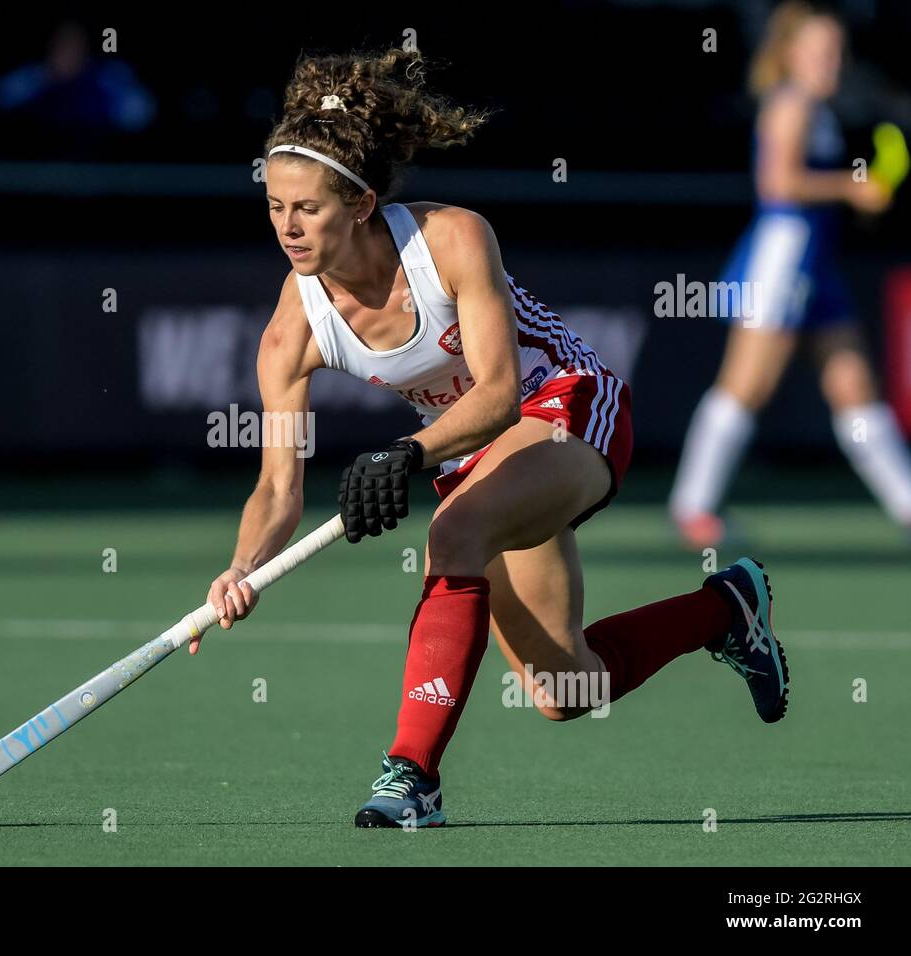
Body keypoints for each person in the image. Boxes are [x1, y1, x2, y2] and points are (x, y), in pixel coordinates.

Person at [196, 48, 790, 828]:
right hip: (476, 455)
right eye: (274, 206)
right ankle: (727, 611)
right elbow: (277, 489)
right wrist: (242, 568)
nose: (286, 226)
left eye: (306, 207)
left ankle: (412, 780)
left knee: (455, 529)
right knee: (563, 688)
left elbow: (503, 395)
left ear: (363, 204)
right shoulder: (289, 332)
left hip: (568, 406)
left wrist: (407, 454)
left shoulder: (450, 240)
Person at [669, 1, 910, 549]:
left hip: (815, 264)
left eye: (837, 51)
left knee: (855, 388)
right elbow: (778, 184)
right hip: (782, 259)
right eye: (821, 50)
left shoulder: (818, 109)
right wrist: (854, 188)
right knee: (748, 385)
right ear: (789, 55)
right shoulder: (790, 105)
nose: (834, 60)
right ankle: (693, 507)